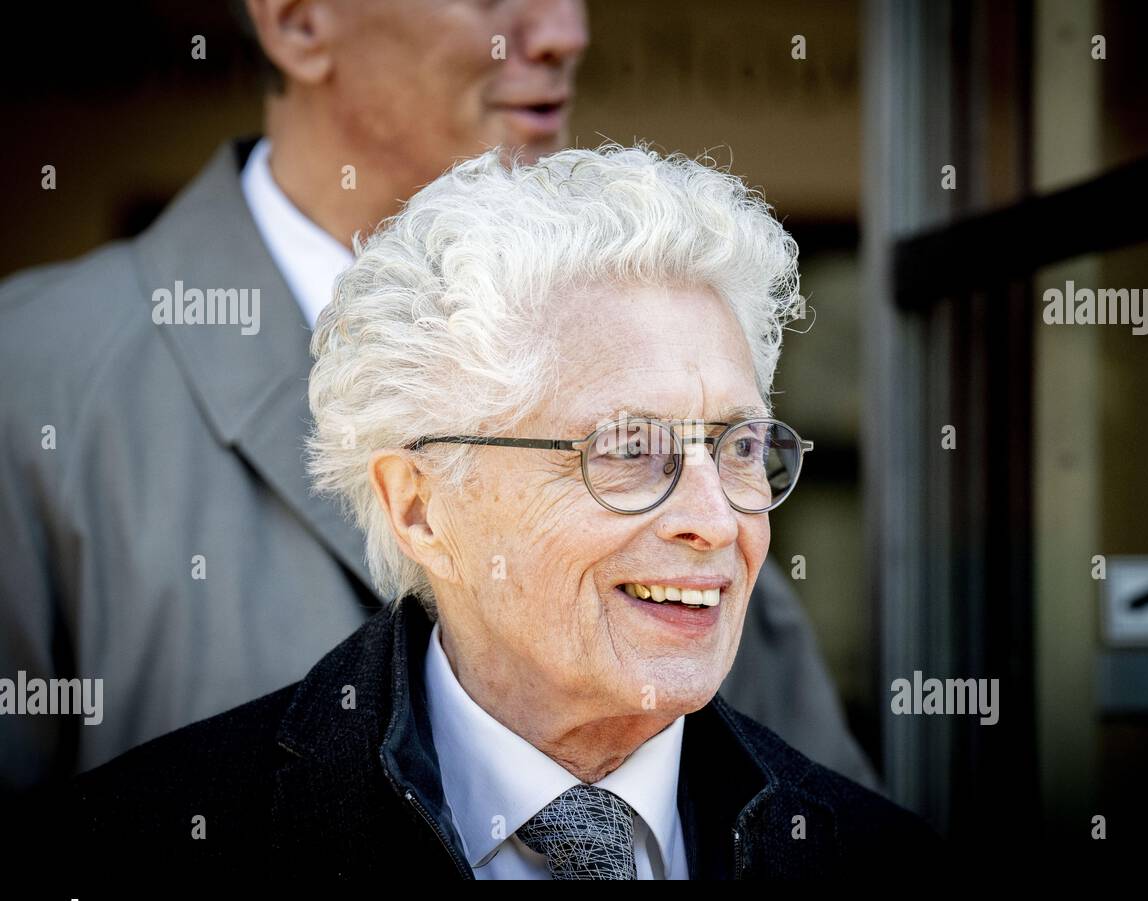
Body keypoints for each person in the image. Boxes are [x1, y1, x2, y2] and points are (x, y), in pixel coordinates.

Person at [0, 0, 875, 793]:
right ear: (299, 21)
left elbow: (801, 813)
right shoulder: (33, 369)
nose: (563, 32)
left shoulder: (691, 413)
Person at [21, 145, 936, 881]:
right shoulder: (129, 856)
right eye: (626, 449)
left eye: (738, 447)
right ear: (420, 507)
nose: (715, 519)